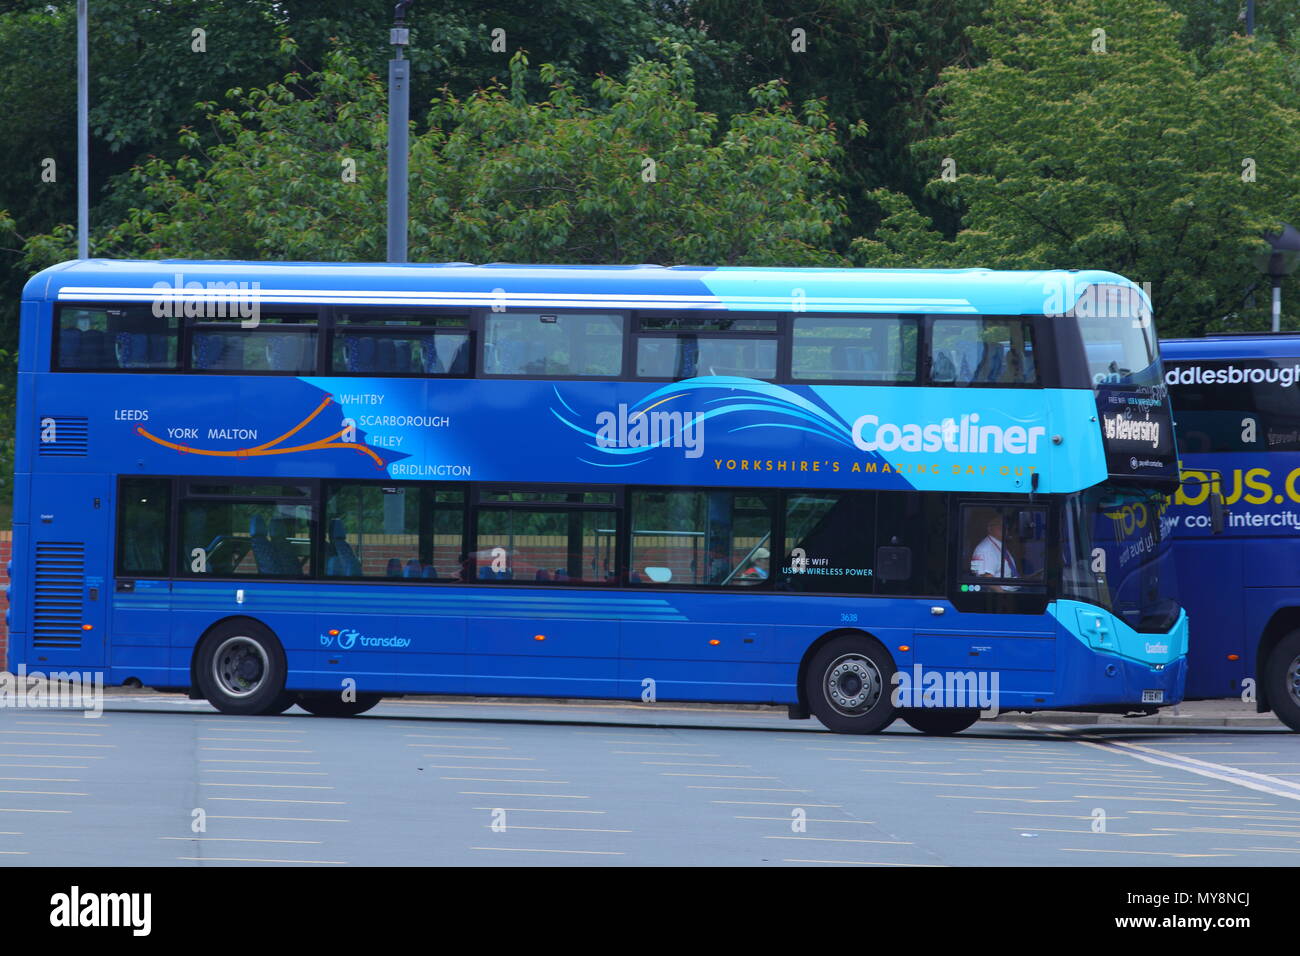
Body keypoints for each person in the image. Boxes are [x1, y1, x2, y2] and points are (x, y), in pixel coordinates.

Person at [970, 515, 1019, 592]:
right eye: (999, 525)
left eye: (1005, 526)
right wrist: (1005, 596)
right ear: (990, 528)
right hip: (1002, 595)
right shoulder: (986, 549)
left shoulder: (999, 545)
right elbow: (987, 579)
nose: (1004, 528)